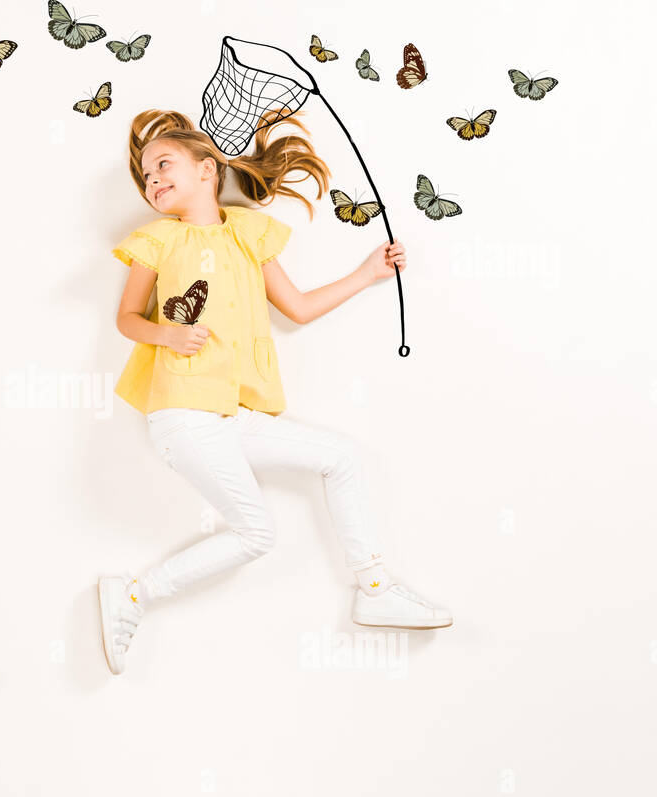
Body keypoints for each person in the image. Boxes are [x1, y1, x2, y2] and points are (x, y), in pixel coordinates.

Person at [97, 108, 451, 675]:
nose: (153, 180)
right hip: (184, 413)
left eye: (164, 165)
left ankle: (376, 586)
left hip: (234, 415)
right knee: (255, 533)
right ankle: (134, 594)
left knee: (343, 458)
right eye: (146, 176)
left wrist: (367, 275)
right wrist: (168, 333)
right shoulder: (156, 240)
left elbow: (300, 307)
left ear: (207, 169)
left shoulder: (247, 232)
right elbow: (126, 318)